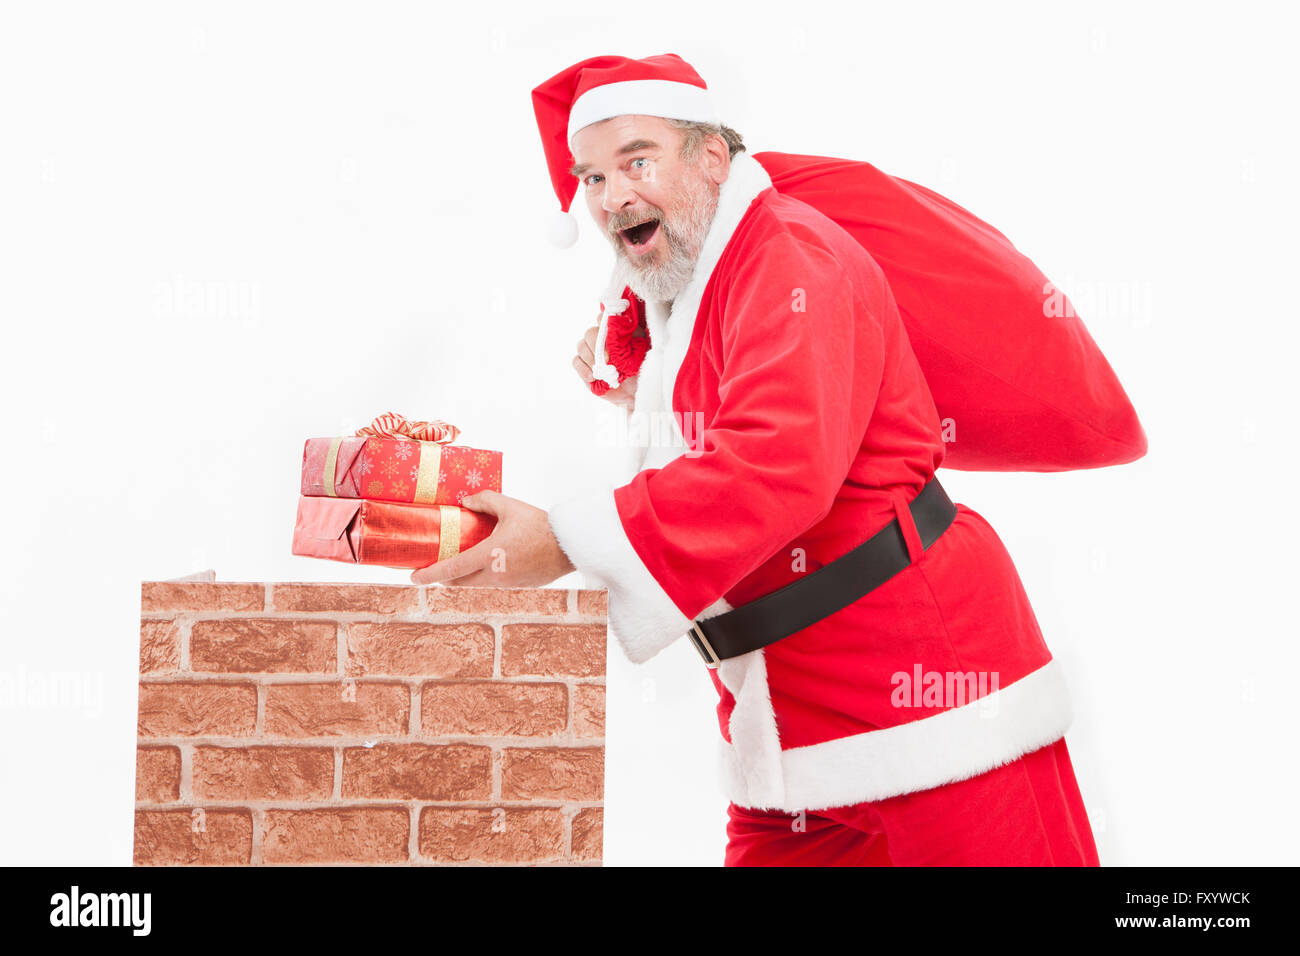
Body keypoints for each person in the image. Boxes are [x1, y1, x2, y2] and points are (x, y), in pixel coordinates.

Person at [412, 52, 1101, 866]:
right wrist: (645, 391)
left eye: (637, 159)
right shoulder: (702, 281)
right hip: (789, 728)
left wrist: (563, 540)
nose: (612, 196)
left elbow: (777, 462)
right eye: (591, 178)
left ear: (713, 157)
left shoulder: (791, 256)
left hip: (929, 704)